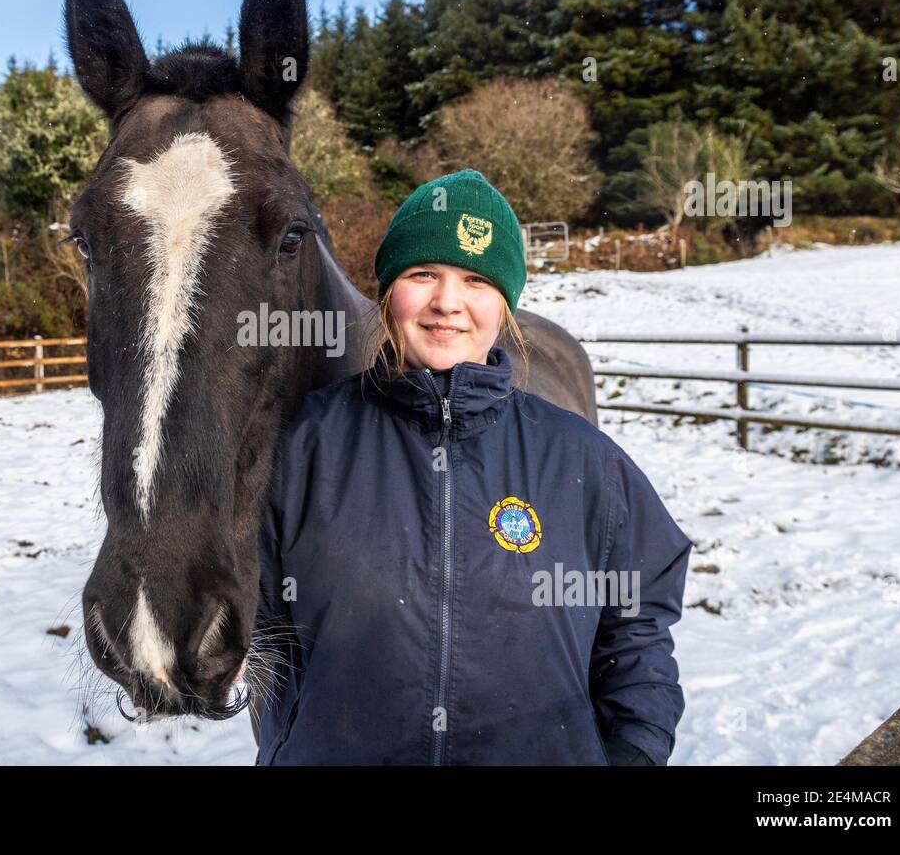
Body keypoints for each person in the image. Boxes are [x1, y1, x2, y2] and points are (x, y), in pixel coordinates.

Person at [252, 169, 692, 765]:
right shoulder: (302, 447)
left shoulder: (582, 458)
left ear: (505, 305)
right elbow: (250, 624)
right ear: (388, 292)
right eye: (423, 273)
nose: (447, 302)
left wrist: (636, 750)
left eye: (477, 280)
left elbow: (636, 622)